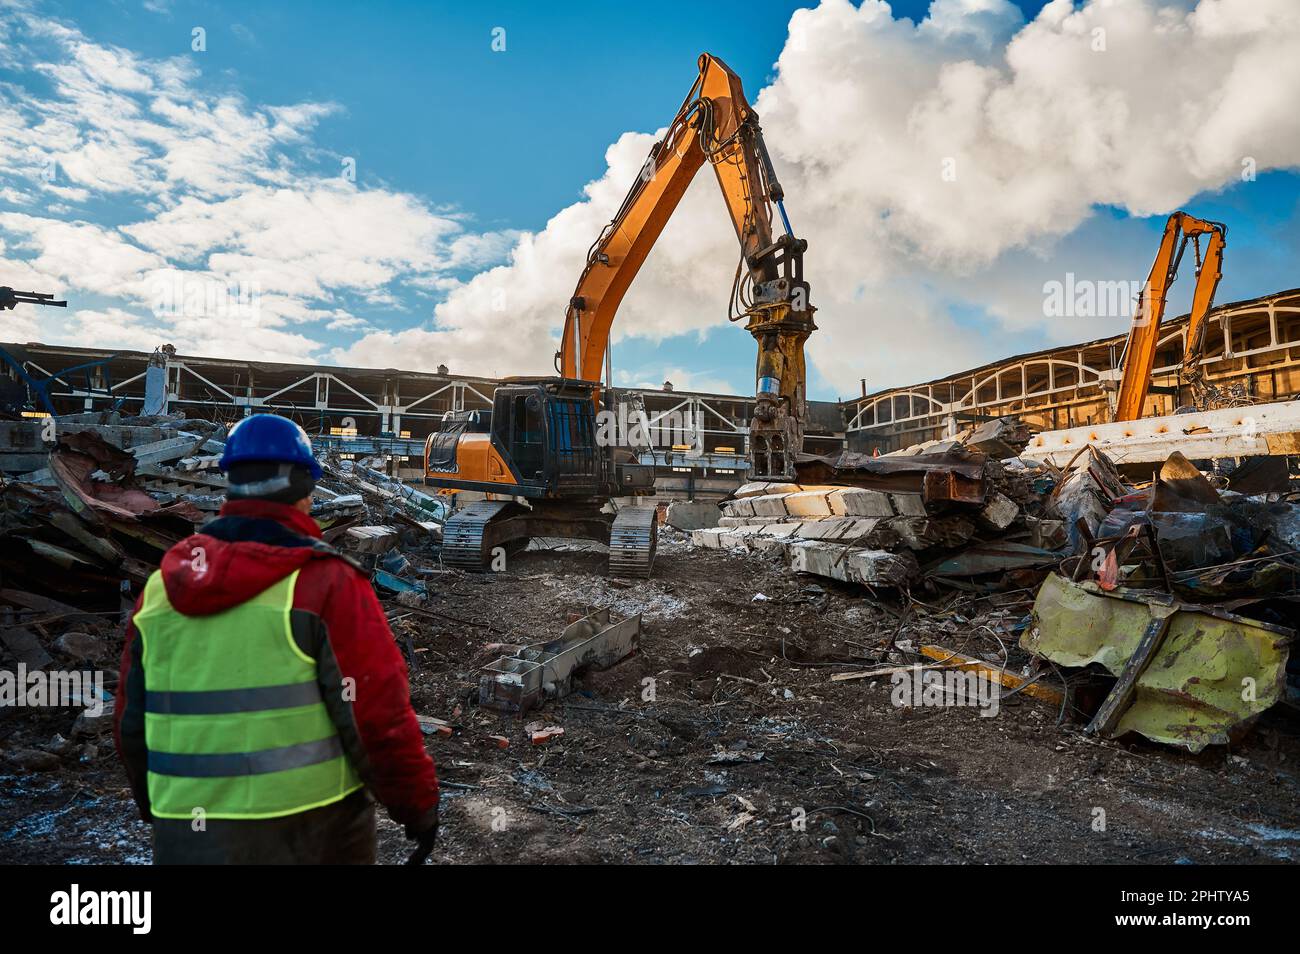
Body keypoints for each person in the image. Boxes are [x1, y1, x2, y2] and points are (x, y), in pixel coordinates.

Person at [114, 413, 439, 864]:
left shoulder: (164, 585)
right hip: (312, 831)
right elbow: (376, 715)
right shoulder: (325, 582)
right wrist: (416, 807)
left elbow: (131, 720)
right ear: (306, 488)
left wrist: (160, 809)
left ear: (228, 482)